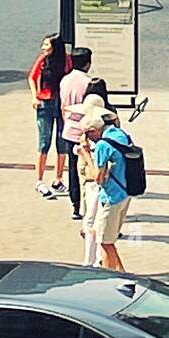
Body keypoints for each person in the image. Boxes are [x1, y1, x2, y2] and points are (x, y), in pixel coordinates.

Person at [87, 107, 132, 271]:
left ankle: (108, 277)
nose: (87, 139)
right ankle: (123, 273)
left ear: (94, 130)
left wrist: (86, 154)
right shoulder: (120, 135)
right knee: (109, 241)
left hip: (111, 196)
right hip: (125, 192)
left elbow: (97, 177)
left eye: (87, 134)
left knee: (104, 242)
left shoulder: (102, 146)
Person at [28, 33, 70, 196]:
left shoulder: (66, 60)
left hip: (61, 103)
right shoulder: (42, 60)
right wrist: (34, 96)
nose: (43, 48)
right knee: (44, 142)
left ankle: (58, 179)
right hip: (45, 102)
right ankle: (39, 180)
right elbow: (32, 77)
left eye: (46, 45)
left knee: (62, 141)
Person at [74, 88, 110, 266]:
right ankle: (96, 259)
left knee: (90, 222)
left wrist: (85, 151)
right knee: (94, 220)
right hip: (90, 183)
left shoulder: (99, 140)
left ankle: (92, 261)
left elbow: (96, 169)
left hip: (95, 183)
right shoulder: (102, 129)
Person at [58, 47, 93, 222]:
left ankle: (75, 205)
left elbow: (63, 105)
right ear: (88, 64)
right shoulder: (89, 83)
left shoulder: (65, 80)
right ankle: (88, 207)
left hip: (69, 129)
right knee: (88, 169)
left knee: (72, 169)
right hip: (84, 132)